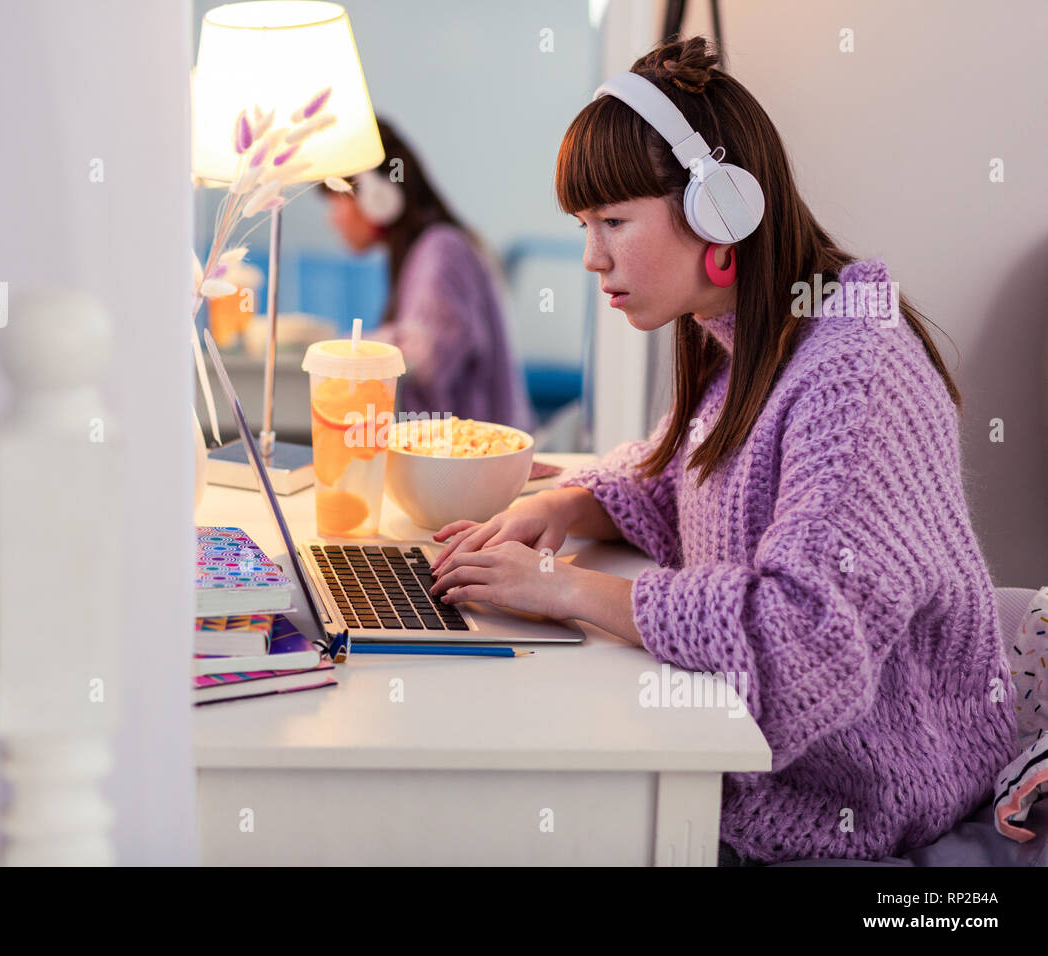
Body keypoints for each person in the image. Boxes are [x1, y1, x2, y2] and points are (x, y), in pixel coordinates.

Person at [425, 35, 1019, 865]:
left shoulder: (857, 368)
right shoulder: (750, 339)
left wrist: (567, 590)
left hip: (861, 803)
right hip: (761, 765)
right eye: (584, 226)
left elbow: (796, 633)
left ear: (720, 208)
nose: (593, 257)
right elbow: (688, 483)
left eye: (613, 222)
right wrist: (562, 503)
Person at [320, 118, 537, 433]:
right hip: (462, 456)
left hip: (472, 463)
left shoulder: (441, 251)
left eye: (335, 200)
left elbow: (426, 357)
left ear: (376, 197)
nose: (332, 218)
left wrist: (336, 349)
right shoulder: (428, 250)